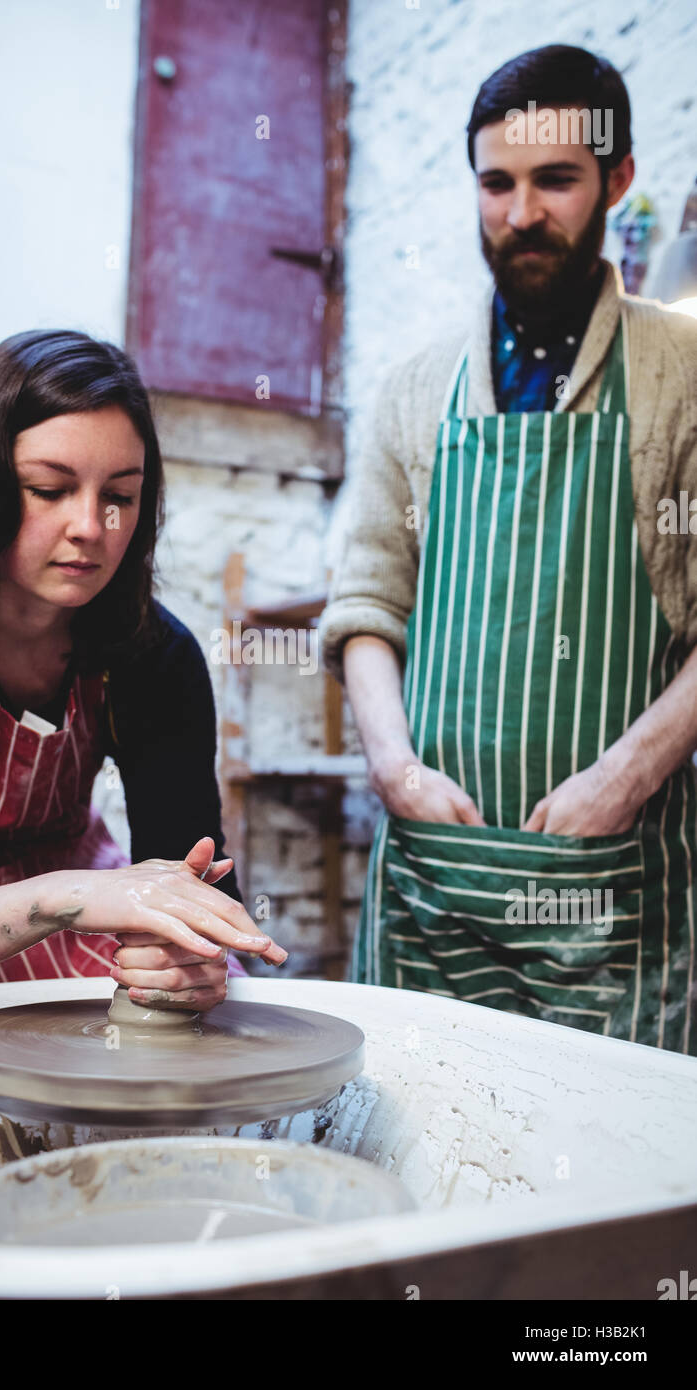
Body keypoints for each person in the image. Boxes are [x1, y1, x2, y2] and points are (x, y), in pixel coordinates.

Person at [320, 45, 697, 1052]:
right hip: (432, 885)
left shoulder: (680, 373)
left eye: (554, 181)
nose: (520, 213)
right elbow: (365, 602)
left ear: (616, 181)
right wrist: (394, 769)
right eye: (496, 183)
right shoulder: (415, 386)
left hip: (608, 890)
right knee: (419, 1168)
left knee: (611, 1185)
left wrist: (619, 778)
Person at [0, 329, 287, 1010]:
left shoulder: (153, 655)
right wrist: (63, 897)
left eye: (121, 497)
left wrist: (193, 958)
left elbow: (190, 877)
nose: (91, 527)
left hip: (73, 908)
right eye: (49, 488)